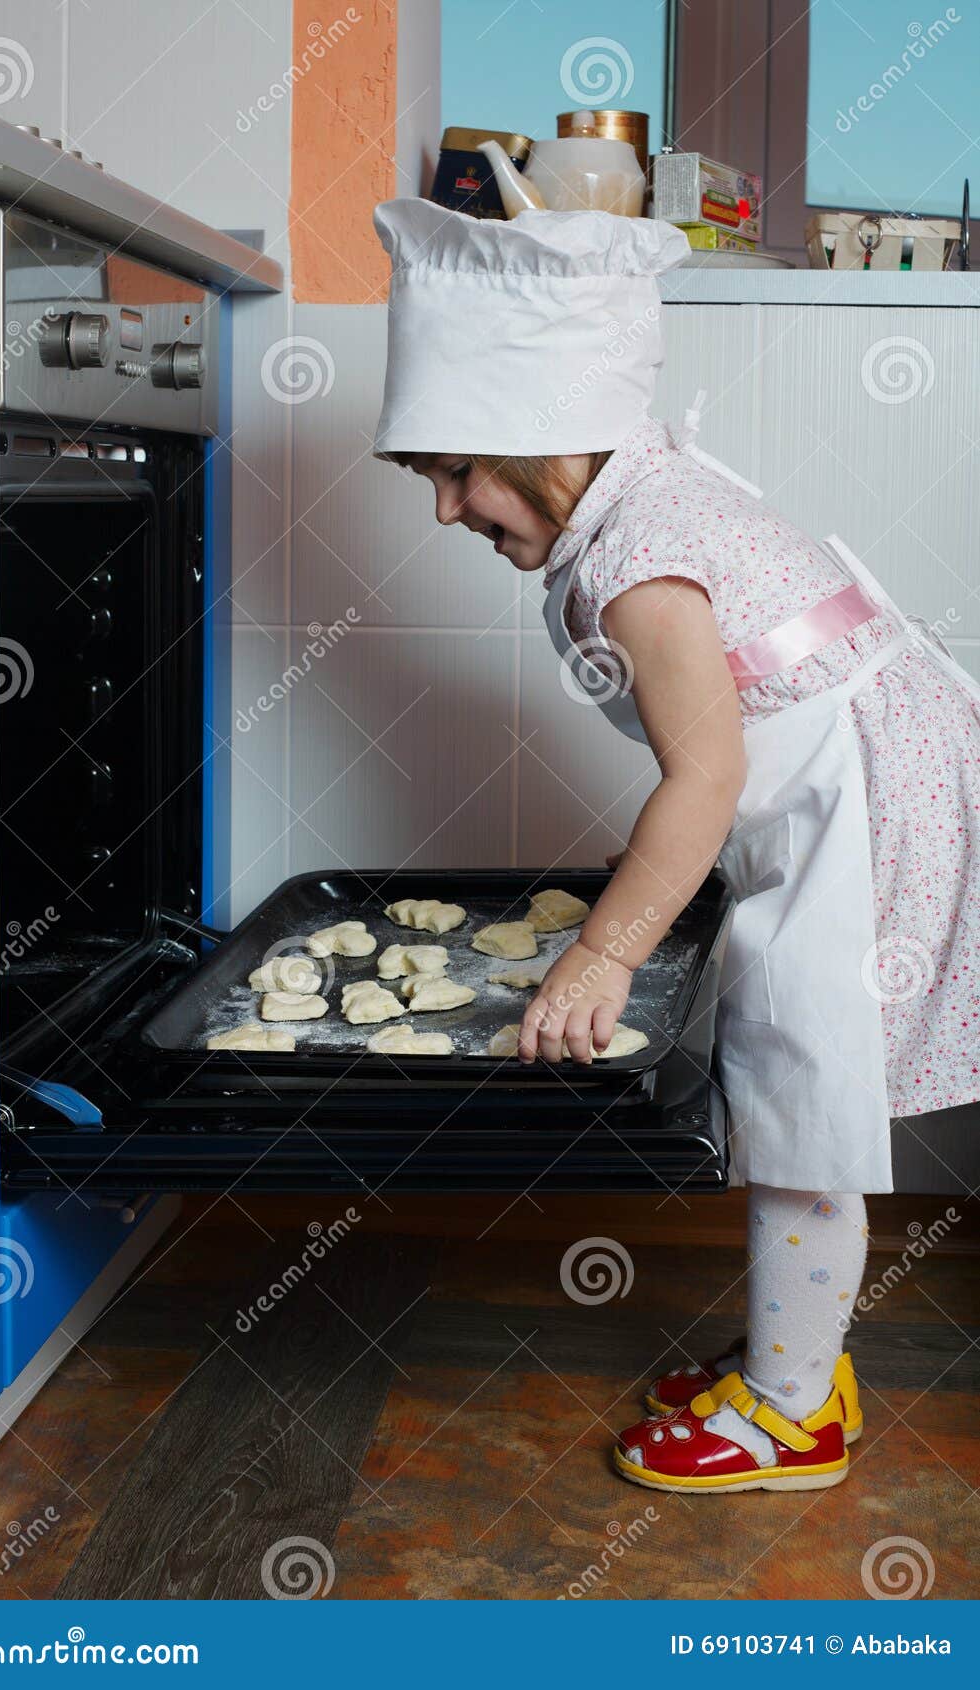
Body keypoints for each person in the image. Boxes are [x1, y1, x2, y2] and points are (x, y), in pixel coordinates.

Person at [370, 197, 980, 1493]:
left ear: (547, 440)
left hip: (869, 808)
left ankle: (792, 1413)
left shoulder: (639, 563)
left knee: (800, 1088)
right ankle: (799, 1354)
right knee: (791, 1080)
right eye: (425, 476)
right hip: (851, 786)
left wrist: (605, 953)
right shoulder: (641, 498)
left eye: (458, 468)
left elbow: (705, 776)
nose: (444, 508)